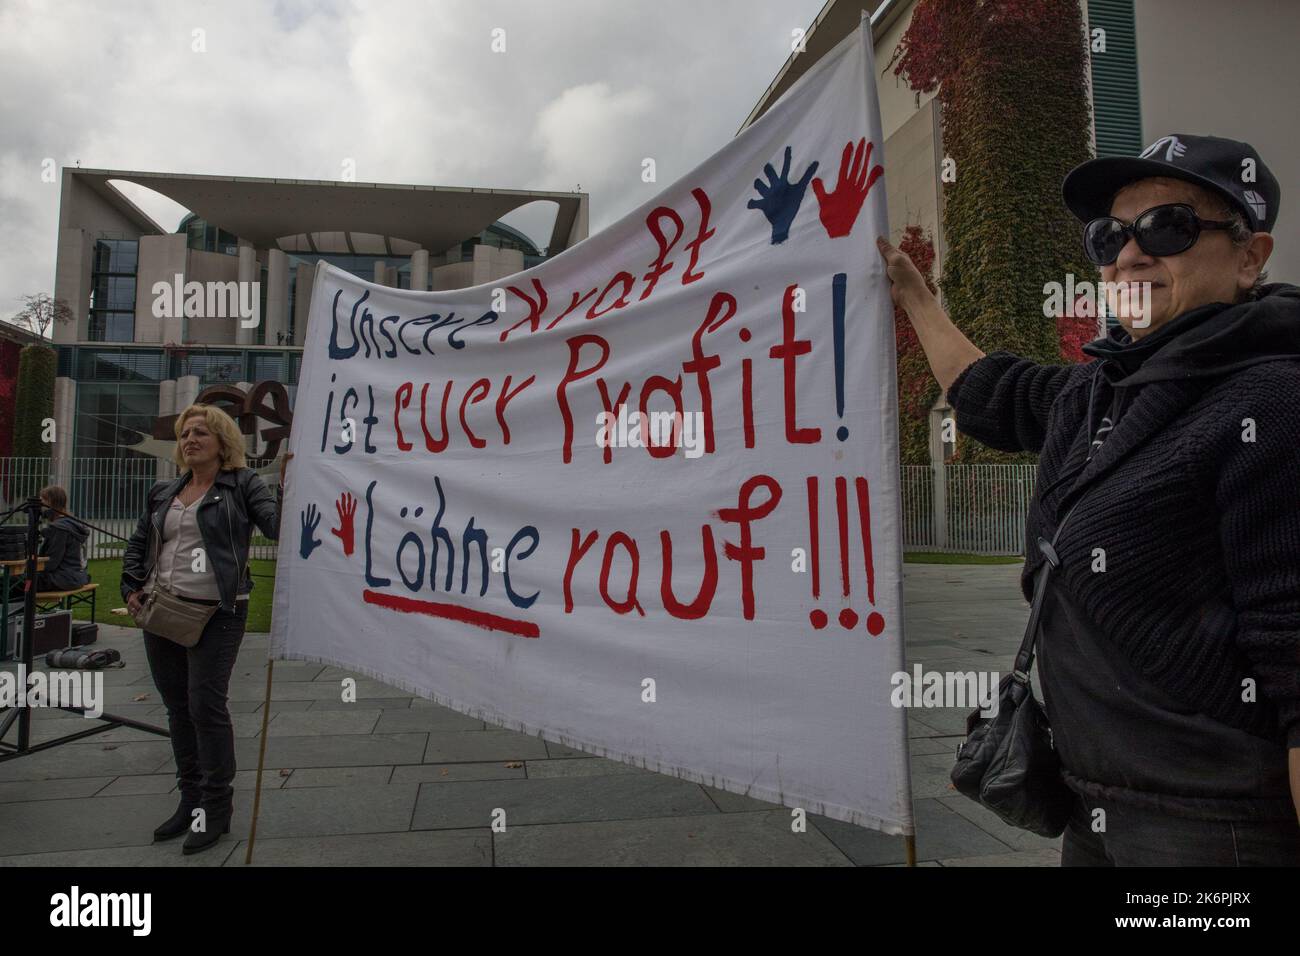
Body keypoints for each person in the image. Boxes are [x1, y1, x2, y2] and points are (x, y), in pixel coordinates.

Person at [877, 133, 1300, 866]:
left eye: (1167, 228)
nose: (1128, 257)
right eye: (1109, 237)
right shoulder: (1104, 388)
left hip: (1213, 830)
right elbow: (990, 394)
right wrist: (912, 294)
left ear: (1249, 256)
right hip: (1094, 812)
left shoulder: (1275, 400)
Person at [121, 403, 287, 856]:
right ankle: (190, 801)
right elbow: (140, 543)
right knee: (177, 709)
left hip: (218, 613)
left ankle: (217, 808)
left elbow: (276, 528)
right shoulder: (164, 491)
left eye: (200, 433)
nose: (190, 440)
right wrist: (130, 586)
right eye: (185, 434)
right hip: (163, 612)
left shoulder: (242, 484)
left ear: (222, 442)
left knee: (204, 706)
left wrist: (290, 489)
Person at [36, 487, 90, 593]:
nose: (40, 508)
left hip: (63, 578)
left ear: (51, 504)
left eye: (42, 503)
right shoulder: (70, 524)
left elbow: (51, 562)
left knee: (12, 583)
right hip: (77, 576)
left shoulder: (60, 528)